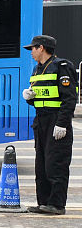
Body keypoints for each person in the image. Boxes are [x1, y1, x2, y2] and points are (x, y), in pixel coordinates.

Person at [22, 34, 77, 214]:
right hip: (41, 120)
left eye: (33, 48)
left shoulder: (62, 67)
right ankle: (44, 202)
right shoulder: (38, 69)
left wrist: (62, 123)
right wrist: (30, 99)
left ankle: (57, 204)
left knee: (56, 164)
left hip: (56, 121)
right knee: (42, 165)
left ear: (42, 48)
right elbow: (42, 97)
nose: (31, 52)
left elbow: (69, 99)